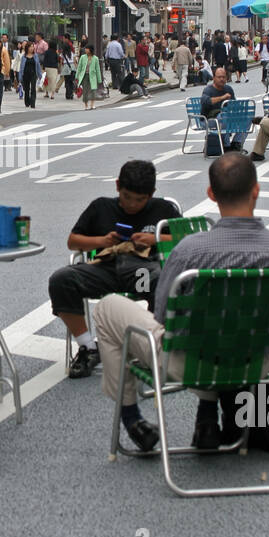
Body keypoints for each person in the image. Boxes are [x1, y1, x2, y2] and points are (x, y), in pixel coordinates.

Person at [92, 153, 269, 452]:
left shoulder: (189, 252)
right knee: (218, 328)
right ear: (256, 190)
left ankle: (132, 417)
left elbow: (163, 318)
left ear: (211, 194)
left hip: (187, 366)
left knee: (108, 307)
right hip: (254, 365)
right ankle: (206, 417)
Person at [48, 160, 182, 379]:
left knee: (164, 281)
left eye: (140, 200)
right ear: (118, 185)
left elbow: (184, 239)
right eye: (127, 196)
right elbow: (73, 242)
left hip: (141, 272)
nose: (132, 204)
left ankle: (147, 344)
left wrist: (154, 238)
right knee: (61, 279)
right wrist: (103, 240)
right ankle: (89, 347)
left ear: (151, 194)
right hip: (105, 269)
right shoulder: (100, 207)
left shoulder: (163, 209)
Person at [78, 44, 103, 109]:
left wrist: (99, 79)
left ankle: (92, 104)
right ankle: (86, 105)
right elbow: (79, 67)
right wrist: (77, 76)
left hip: (93, 76)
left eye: (87, 49)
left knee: (93, 90)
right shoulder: (83, 57)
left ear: (90, 50)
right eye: (85, 48)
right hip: (84, 76)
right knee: (85, 91)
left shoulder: (95, 58)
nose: (85, 50)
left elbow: (97, 69)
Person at [20, 41, 39, 108]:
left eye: (32, 47)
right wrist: (20, 76)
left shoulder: (35, 56)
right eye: (30, 47)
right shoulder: (24, 57)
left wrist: (40, 75)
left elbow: (38, 66)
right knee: (27, 89)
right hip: (25, 74)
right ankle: (27, 102)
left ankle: (33, 103)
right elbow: (21, 67)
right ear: (27, 48)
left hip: (33, 74)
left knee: (33, 88)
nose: (32, 48)